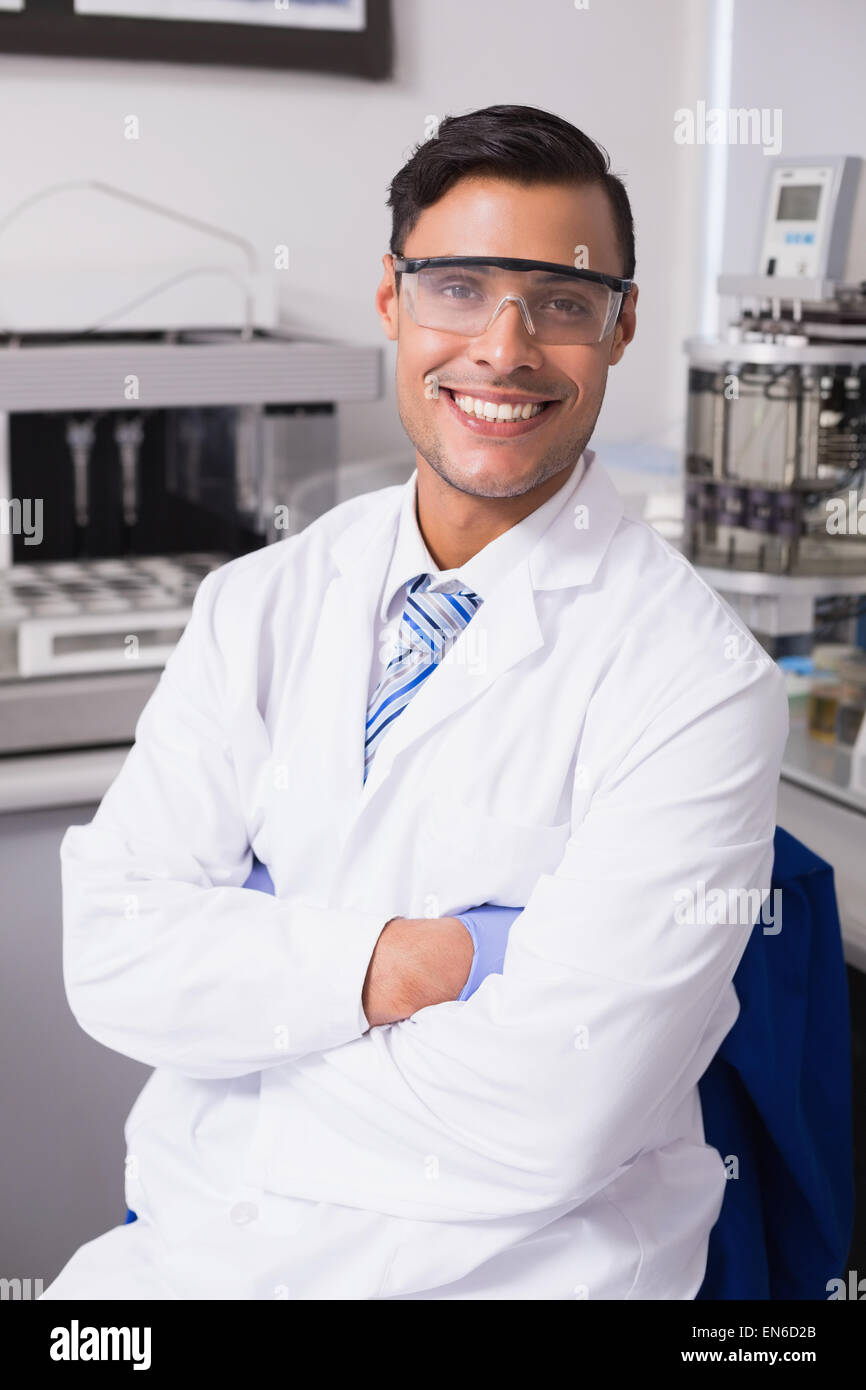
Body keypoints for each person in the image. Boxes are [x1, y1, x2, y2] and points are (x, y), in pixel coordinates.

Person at [41, 104, 788, 1301]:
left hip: (512, 1275)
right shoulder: (260, 604)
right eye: (456, 286)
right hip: (178, 1261)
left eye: (560, 300)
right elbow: (115, 956)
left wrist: (239, 1027)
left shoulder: (696, 686)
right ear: (391, 301)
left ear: (619, 325)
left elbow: (546, 1113)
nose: (502, 348)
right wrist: (409, 961)